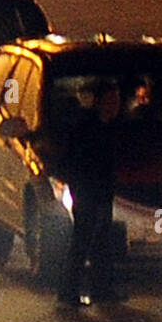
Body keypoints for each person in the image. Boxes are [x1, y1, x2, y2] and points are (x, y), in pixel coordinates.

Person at [57, 81, 122, 305]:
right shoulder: (87, 128)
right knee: (83, 240)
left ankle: (101, 289)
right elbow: (78, 160)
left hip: (102, 192)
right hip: (88, 191)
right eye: (110, 101)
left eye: (117, 101)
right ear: (99, 102)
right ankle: (69, 290)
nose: (114, 106)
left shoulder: (110, 127)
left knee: (101, 242)